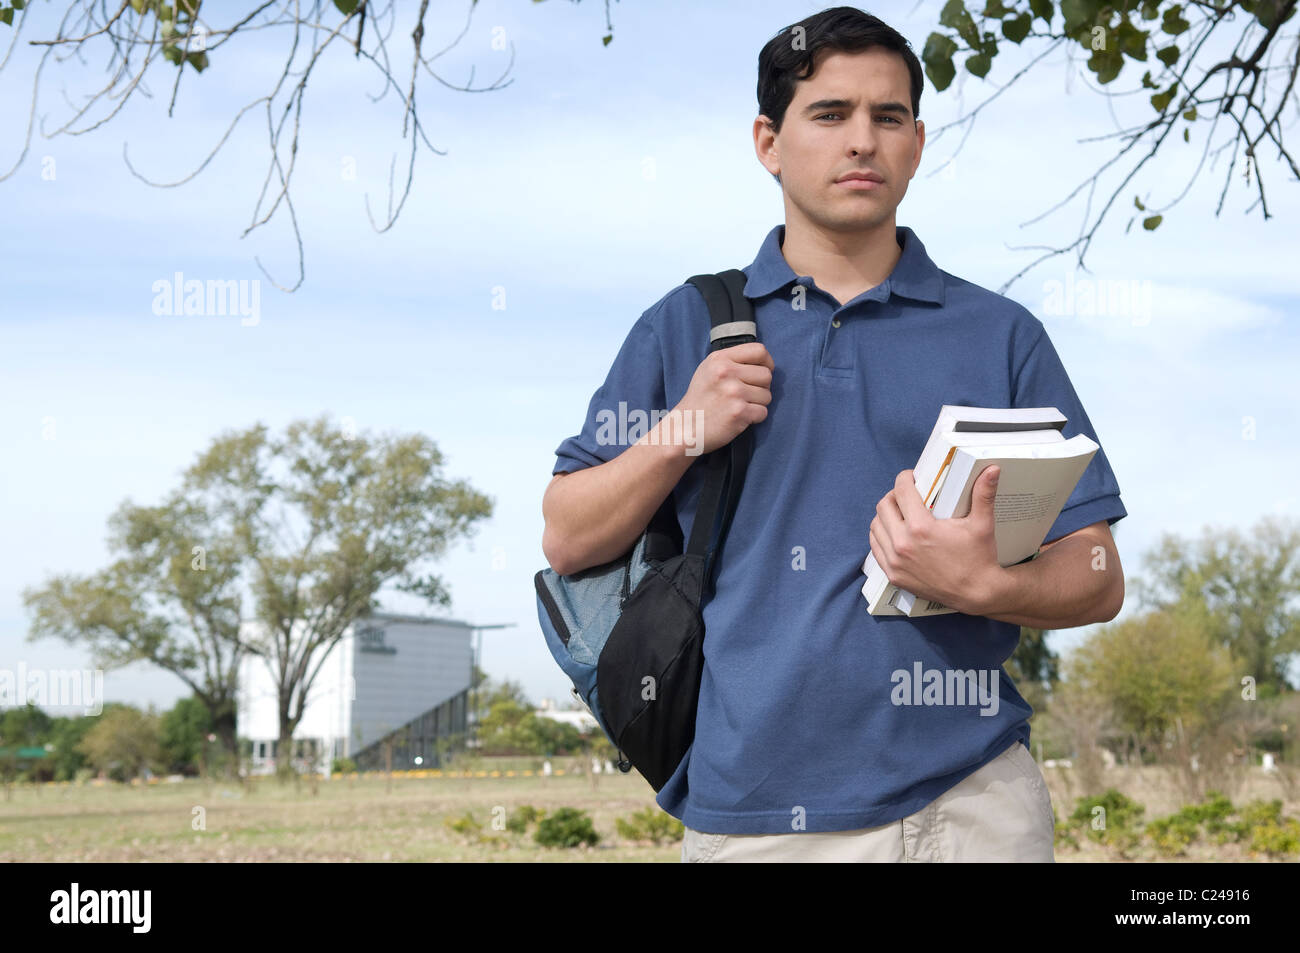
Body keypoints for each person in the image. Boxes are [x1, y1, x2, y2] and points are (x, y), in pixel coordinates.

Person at [540, 5, 1127, 862]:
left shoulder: (1000, 335)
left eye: (888, 118)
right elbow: (565, 535)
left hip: (974, 803)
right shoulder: (685, 327)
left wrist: (985, 582)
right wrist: (680, 432)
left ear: (917, 145)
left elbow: (1100, 573)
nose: (863, 141)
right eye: (830, 114)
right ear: (768, 142)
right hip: (758, 817)